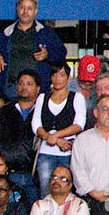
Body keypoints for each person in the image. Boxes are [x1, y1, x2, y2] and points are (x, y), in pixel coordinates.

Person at [0, 0, 67, 94]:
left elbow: (62, 53)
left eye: (29, 8)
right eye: (22, 7)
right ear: (17, 9)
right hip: (11, 88)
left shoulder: (46, 33)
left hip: (38, 90)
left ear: (35, 12)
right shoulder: (6, 33)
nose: (25, 11)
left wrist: (48, 54)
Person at [0, 70, 42, 207]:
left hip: (34, 176)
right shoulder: (4, 112)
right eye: (21, 83)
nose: (24, 87)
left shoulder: (43, 112)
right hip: (7, 174)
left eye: (29, 84)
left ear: (38, 88)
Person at [31, 62, 86, 191]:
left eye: (62, 75)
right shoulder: (42, 98)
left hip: (68, 151)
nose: (57, 78)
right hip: (45, 151)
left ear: (68, 77)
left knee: (67, 190)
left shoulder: (76, 97)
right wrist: (49, 137)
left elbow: (79, 125)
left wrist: (56, 136)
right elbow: (36, 124)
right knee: (46, 189)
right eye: (55, 74)